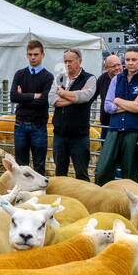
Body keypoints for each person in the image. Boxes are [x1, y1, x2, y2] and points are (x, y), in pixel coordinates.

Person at [95, 48, 138, 185]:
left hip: (135, 131)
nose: (130, 63)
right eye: (127, 60)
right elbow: (107, 107)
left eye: (134, 60)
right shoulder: (117, 78)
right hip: (114, 129)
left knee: (129, 175)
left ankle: (126, 205)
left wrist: (118, 100)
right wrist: (132, 103)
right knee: (102, 170)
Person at [49, 48, 96, 180]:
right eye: (65, 61)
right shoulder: (59, 78)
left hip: (79, 135)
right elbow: (52, 100)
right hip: (60, 134)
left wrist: (63, 94)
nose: (67, 64)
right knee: (60, 173)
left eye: (70, 61)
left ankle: (84, 199)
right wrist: (74, 98)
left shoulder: (90, 78)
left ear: (79, 61)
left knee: (81, 172)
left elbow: (85, 96)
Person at [11, 39, 54, 170]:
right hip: (20, 124)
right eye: (30, 54)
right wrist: (34, 95)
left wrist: (22, 97)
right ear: (27, 55)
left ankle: (38, 191)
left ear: (42, 55)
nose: (32, 57)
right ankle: (22, 189)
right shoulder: (20, 74)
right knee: (20, 164)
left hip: (38, 125)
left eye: (36, 54)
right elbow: (13, 96)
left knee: (39, 164)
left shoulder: (48, 77)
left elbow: (43, 101)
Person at [94, 53, 123, 141]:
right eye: (113, 66)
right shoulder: (102, 79)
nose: (117, 68)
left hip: (122, 125)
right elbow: (92, 96)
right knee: (106, 152)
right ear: (106, 68)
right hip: (106, 124)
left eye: (119, 65)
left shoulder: (127, 78)